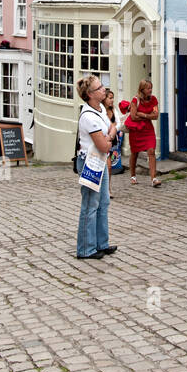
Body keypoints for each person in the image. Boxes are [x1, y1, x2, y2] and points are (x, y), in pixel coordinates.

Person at [75, 75, 116, 260]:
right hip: (89, 162)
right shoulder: (88, 116)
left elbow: (113, 126)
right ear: (90, 94)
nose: (104, 90)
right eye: (99, 88)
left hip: (100, 161)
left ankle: (101, 243)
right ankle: (86, 248)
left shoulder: (100, 109)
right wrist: (109, 137)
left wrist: (109, 135)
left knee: (104, 202)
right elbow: (104, 145)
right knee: (90, 204)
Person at [126, 79, 160, 187]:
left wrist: (143, 115)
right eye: (148, 88)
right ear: (142, 89)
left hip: (148, 130)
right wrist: (146, 115)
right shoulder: (135, 100)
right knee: (135, 152)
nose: (150, 90)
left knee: (151, 151)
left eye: (151, 88)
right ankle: (133, 175)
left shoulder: (153, 99)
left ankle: (154, 179)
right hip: (136, 130)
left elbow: (156, 116)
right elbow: (133, 117)